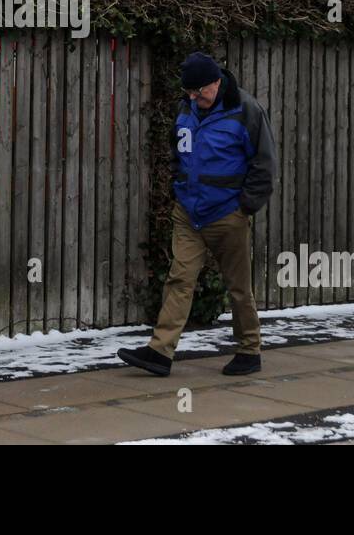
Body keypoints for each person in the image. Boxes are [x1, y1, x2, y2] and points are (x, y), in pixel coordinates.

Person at [118, 51, 277, 377]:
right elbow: (178, 152)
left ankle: (249, 350)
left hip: (228, 214)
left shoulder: (246, 111)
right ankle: (160, 353)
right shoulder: (185, 109)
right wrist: (179, 187)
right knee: (179, 279)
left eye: (199, 91)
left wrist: (245, 206)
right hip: (188, 213)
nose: (194, 97)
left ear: (216, 82)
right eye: (190, 92)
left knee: (237, 287)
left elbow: (264, 164)